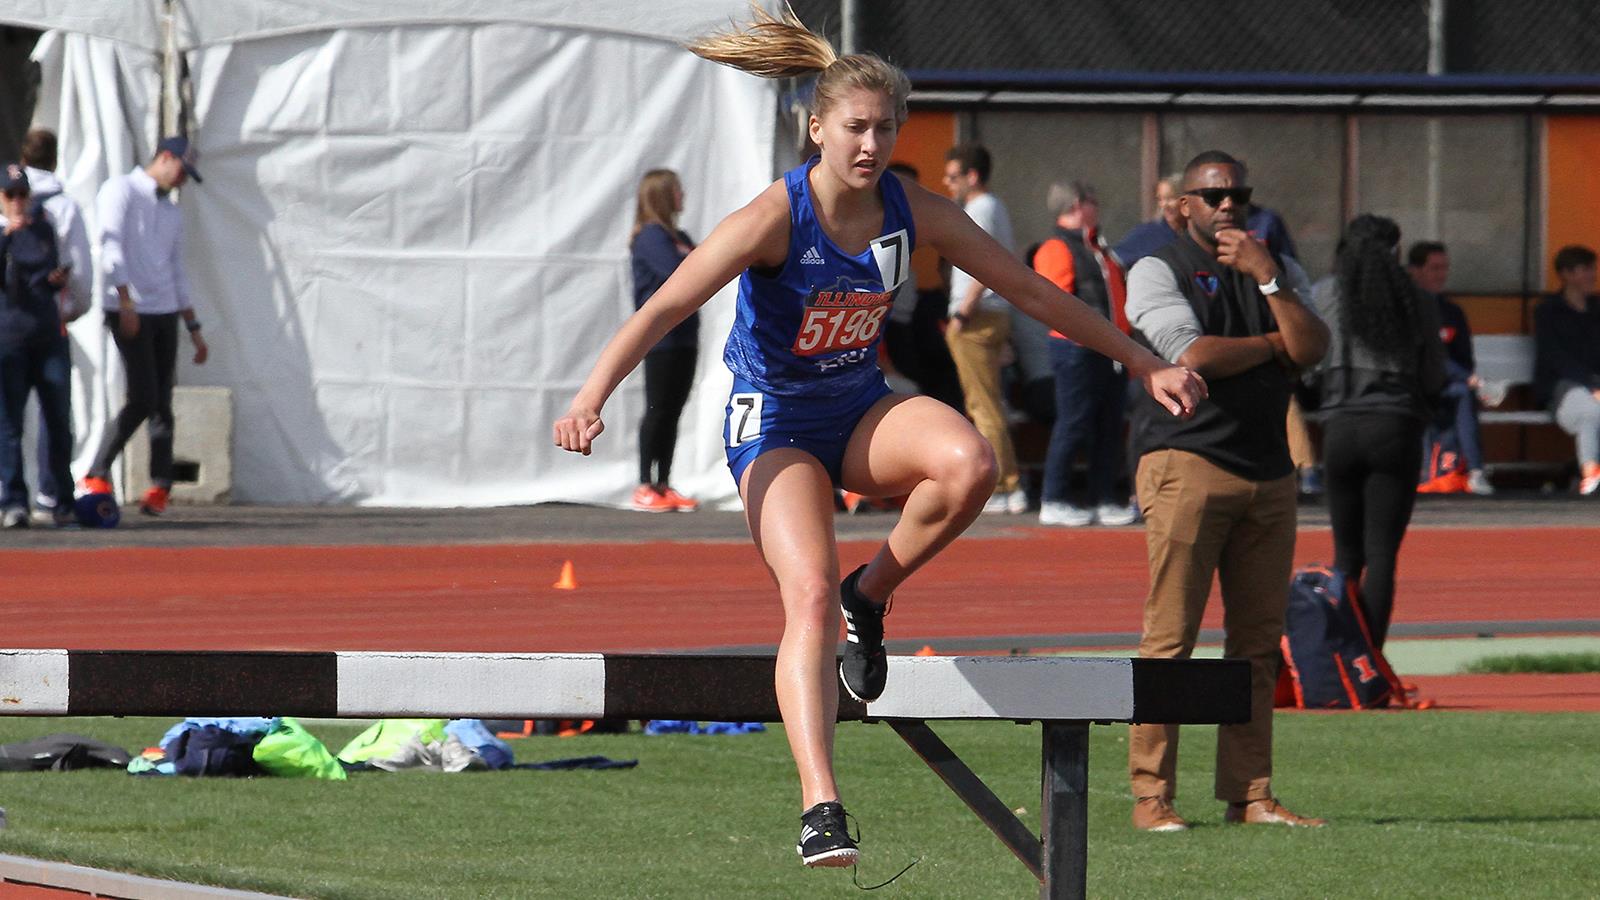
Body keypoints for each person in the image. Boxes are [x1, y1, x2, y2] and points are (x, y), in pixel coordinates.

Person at [552, 6, 1205, 870]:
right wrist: (591, 396)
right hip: (776, 421)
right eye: (855, 127)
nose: (871, 144)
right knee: (808, 592)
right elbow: (668, 304)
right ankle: (821, 806)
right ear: (817, 129)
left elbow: (1029, 291)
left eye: (886, 129)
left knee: (970, 463)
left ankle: (875, 593)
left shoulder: (914, 208)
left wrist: (1141, 359)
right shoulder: (774, 217)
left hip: (858, 406)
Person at [1123, 150, 1329, 832]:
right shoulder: (1158, 266)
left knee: (1257, 645)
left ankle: (1251, 794)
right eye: (1213, 196)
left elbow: (1314, 346)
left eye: (1238, 193)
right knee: (1170, 639)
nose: (1228, 205)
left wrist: (1269, 278)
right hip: (1187, 461)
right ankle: (1151, 797)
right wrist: (1274, 344)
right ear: (1184, 206)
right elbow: (1192, 356)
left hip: (1269, 470)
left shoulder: (1277, 267)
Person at [1313, 217, 1448, 649]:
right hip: (1395, 426)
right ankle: (1370, 656)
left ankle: (1340, 657)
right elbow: (1434, 374)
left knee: (1345, 555)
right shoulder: (1416, 298)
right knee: (1382, 554)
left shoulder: (1324, 295)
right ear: (1396, 251)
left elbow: (1307, 363)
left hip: (1340, 427)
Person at [77, 136, 210, 515]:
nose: (182, 180)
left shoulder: (171, 211)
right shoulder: (120, 190)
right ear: (165, 157)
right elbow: (110, 246)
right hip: (129, 307)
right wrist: (125, 300)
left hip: (163, 310)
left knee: (162, 400)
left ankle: (160, 485)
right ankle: (96, 470)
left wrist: (193, 326)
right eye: (182, 170)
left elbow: (176, 270)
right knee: (143, 395)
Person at [1032, 180, 1135, 527]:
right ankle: (1054, 498)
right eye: (1093, 201)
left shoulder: (1097, 247)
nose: (1098, 206)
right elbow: (1055, 303)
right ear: (1077, 204)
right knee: (1074, 422)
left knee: (1108, 424)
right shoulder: (1057, 247)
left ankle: (1102, 497)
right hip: (1076, 348)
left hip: (1108, 348)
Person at [941, 143, 1027, 514]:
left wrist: (962, 314)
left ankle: (1005, 484)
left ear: (972, 176)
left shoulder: (981, 208)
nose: (947, 183)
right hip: (990, 313)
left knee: (984, 406)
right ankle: (1007, 484)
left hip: (977, 317)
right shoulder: (994, 207)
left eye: (953, 176)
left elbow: (985, 263)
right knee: (990, 403)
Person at [20, 129, 93, 517]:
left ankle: (11, 493)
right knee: (54, 412)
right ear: (54, 160)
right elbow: (79, 270)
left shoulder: (8, 202)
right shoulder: (64, 206)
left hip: (10, 322)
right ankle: (51, 493)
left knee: (9, 415)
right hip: (50, 321)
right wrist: (74, 310)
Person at [0, 163, 74, 528]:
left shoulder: (43, 227)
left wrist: (55, 280)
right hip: (9, 339)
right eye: (10, 195)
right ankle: (14, 501)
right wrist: (6, 237)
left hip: (46, 335)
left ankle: (62, 498)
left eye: (23, 195)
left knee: (58, 419)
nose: (17, 202)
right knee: (10, 424)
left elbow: (42, 276)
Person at [629, 169, 700, 512]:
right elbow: (681, 273)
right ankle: (644, 484)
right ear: (661, 195)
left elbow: (706, 265)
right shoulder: (650, 237)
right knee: (657, 409)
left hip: (685, 335)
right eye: (677, 190)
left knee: (673, 410)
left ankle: (664, 483)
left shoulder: (679, 236)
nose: (682, 195)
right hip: (661, 337)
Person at [1408, 241, 1491, 495]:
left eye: (1444, 268)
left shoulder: (1452, 311)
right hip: (1412, 382)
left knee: (1464, 394)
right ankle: (1423, 472)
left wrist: (1467, 379)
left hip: (1446, 384)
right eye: (1434, 268)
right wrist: (1466, 377)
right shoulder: (1406, 308)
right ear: (1415, 271)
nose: (1441, 274)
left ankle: (1474, 471)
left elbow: (1464, 357)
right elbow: (1422, 355)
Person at [1533, 245, 1600, 496]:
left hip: (1595, 384)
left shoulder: (1597, 309)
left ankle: (1573, 472)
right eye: (1586, 269)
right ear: (1566, 274)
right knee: (1592, 412)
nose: (1593, 275)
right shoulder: (1547, 311)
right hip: (1562, 388)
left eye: (1593, 269)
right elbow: (1556, 357)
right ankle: (1591, 474)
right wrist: (1592, 387)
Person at [1113, 172, 1184, 267]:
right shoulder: (1146, 234)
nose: (1164, 205)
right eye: (1160, 199)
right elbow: (1114, 261)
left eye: (1170, 198)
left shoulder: (1196, 235)